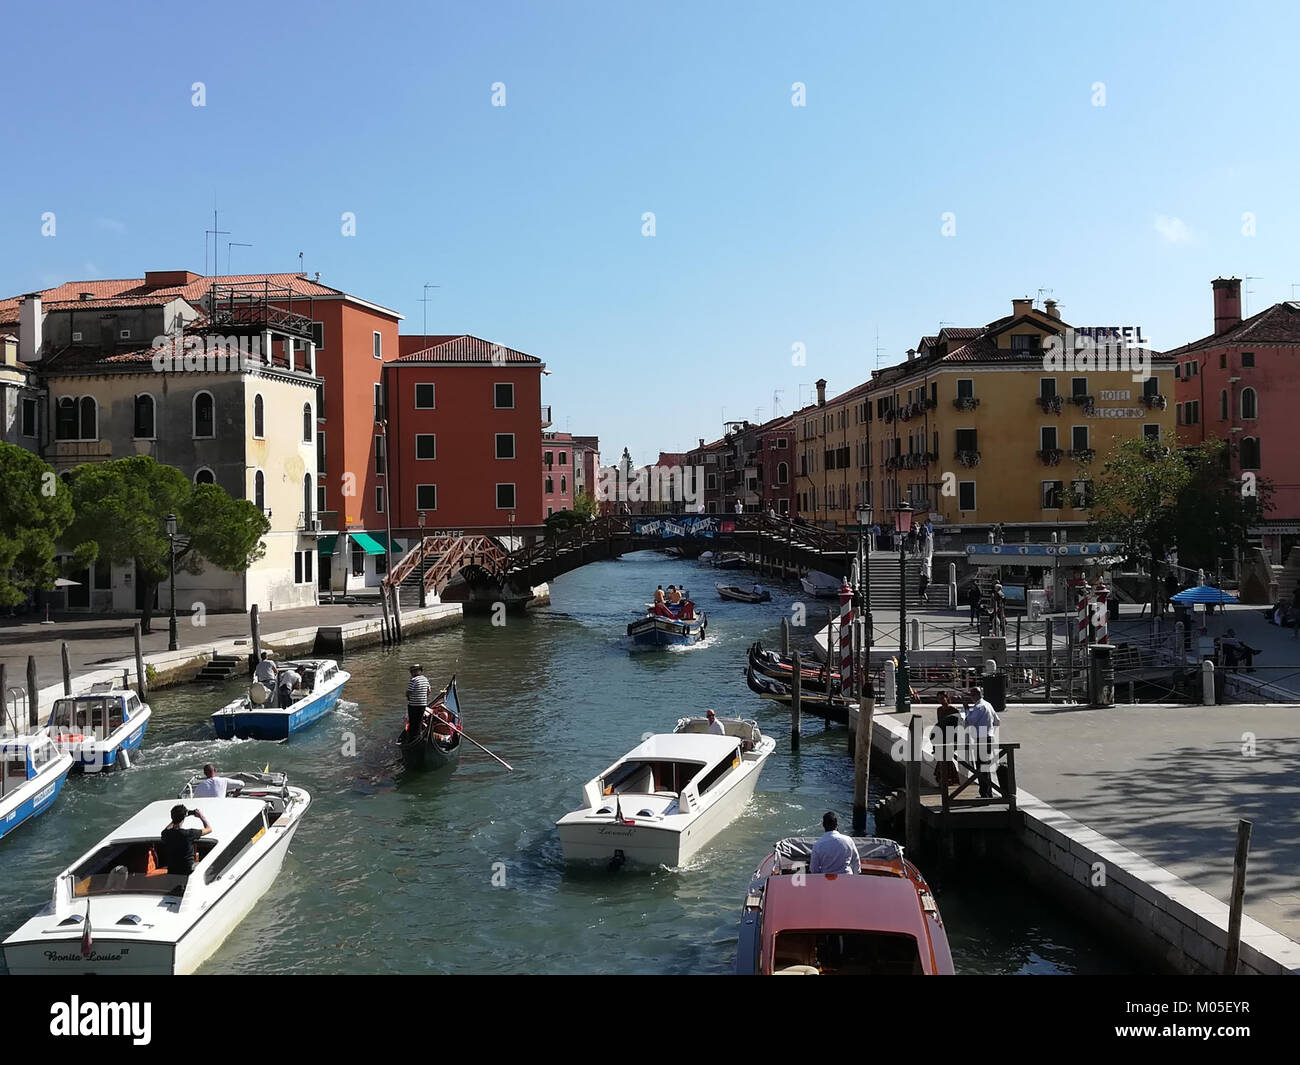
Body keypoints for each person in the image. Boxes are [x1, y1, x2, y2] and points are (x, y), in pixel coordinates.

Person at [963, 686, 1001, 798]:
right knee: (985, 766)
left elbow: (970, 721)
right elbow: (997, 721)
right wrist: (989, 728)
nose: (970, 698)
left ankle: (984, 793)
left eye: (971, 695)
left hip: (982, 738)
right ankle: (988, 792)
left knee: (980, 767)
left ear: (975, 695)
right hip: (989, 737)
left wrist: (966, 709)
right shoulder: (988, 704)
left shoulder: (979, 707)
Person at [159, 804, 212, 877]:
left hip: (172, 870)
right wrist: (201, 816)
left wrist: (176, 819)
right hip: (188, 870)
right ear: (183, 818)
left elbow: (166, 830)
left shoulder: (166, 834)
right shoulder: (189, 834)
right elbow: (209, 829)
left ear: (172, 817)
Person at [935, 692, 962, 788]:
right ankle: (947, 779)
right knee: (944, 758)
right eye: (939, 699)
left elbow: (958, 726)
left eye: (942, 698)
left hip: (951, 737)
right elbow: (939, 724)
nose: (941, 700)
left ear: (947, 698)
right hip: (942, 737)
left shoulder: (953, 710)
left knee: (946, 758)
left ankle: (946, 779)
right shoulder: (939, 710)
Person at [406, 664, 431, 734]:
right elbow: (429, 691)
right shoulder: (425, 679)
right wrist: (424, 698)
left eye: (412, 671)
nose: (411, 673)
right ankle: (418, 734)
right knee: (419, 721)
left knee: (412, 722)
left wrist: (408, 697)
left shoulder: (413, 680)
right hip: (423, 704)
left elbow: (409, 692)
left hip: (413, 705)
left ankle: (412, 737)